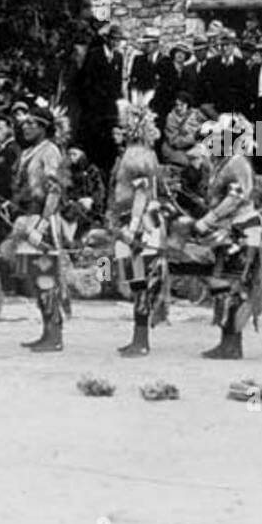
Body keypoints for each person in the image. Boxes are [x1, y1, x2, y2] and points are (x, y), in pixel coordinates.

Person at [191, 113, 262, 359]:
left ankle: (233, 343)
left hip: (243, 231)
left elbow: (236, 198)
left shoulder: (237, 163)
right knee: (223, 285)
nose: (211, 143)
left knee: (232, 285)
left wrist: (208, 219)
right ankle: (228, 340)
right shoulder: (222, 163)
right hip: (230, 231)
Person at [110, 93, 169, 357]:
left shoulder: (136, 155)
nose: (117, 131)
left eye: (121, 126)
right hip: (141, 222)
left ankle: (142, 340)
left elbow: (142, 194)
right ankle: (138, 336)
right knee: (137, 282)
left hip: (142, 224)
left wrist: (132, 228)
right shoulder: (138, 153)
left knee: (141, 281)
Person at [10, 106, 70, 352]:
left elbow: (55, 191)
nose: (25, 126)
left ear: (44, 127)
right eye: (24, 123)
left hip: (44, 219)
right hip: (29, 216)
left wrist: (43, 225)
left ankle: (55, 335)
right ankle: (46, 330)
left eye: (31, 123)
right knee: (37, 278)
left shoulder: (50, 151)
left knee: (47, 277)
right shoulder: (30, 152)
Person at [74, 17, 123, 176]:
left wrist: (116, 102)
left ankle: (106, 169)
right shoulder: (95, 55)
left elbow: (117, 83)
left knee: (109, 140)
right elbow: (87, 81)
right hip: (94, 107)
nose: (115, 43)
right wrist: (93, 101)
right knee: (94, 137)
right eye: (113, 39)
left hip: (109, 108)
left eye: (118, 40)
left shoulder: (118, 58)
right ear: (107, 39)